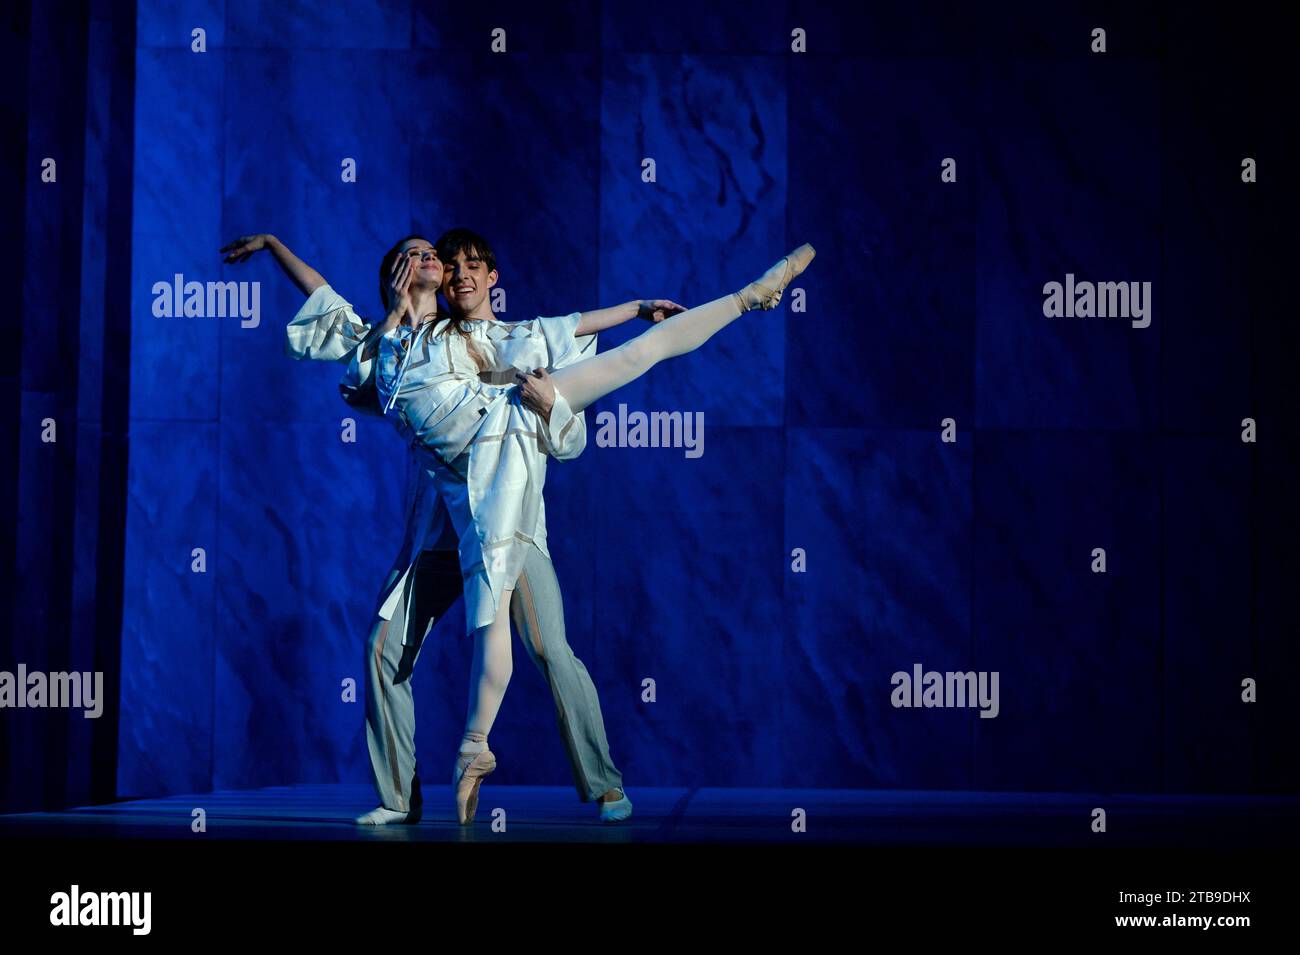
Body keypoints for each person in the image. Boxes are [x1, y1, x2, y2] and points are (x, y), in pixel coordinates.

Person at [220, 231, 683, 824]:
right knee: (383, 650)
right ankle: (396, 799)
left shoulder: (470, 331)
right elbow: (324, 298)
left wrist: (638, 309)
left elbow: (559, 330)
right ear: (394, 274)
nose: (429, 259)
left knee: (549, 649)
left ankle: (605, 783)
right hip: (438, 529)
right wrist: (274, 245)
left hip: (499, 518)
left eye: (431, 253)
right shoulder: (385, 340)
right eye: (414, 254)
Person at [369, 231, 814, 822]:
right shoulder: (419, 339)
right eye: (449, 269)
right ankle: (416, 787)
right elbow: (369, 371)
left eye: (471, 266)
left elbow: (574, 338)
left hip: (505, 497)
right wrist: (393, 310)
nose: (459, 275)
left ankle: (595, 781)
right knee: (396, 645)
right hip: (451, 518)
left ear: (492, 276)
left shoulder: (517, 337)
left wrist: (628, 317)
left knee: (549, 647)